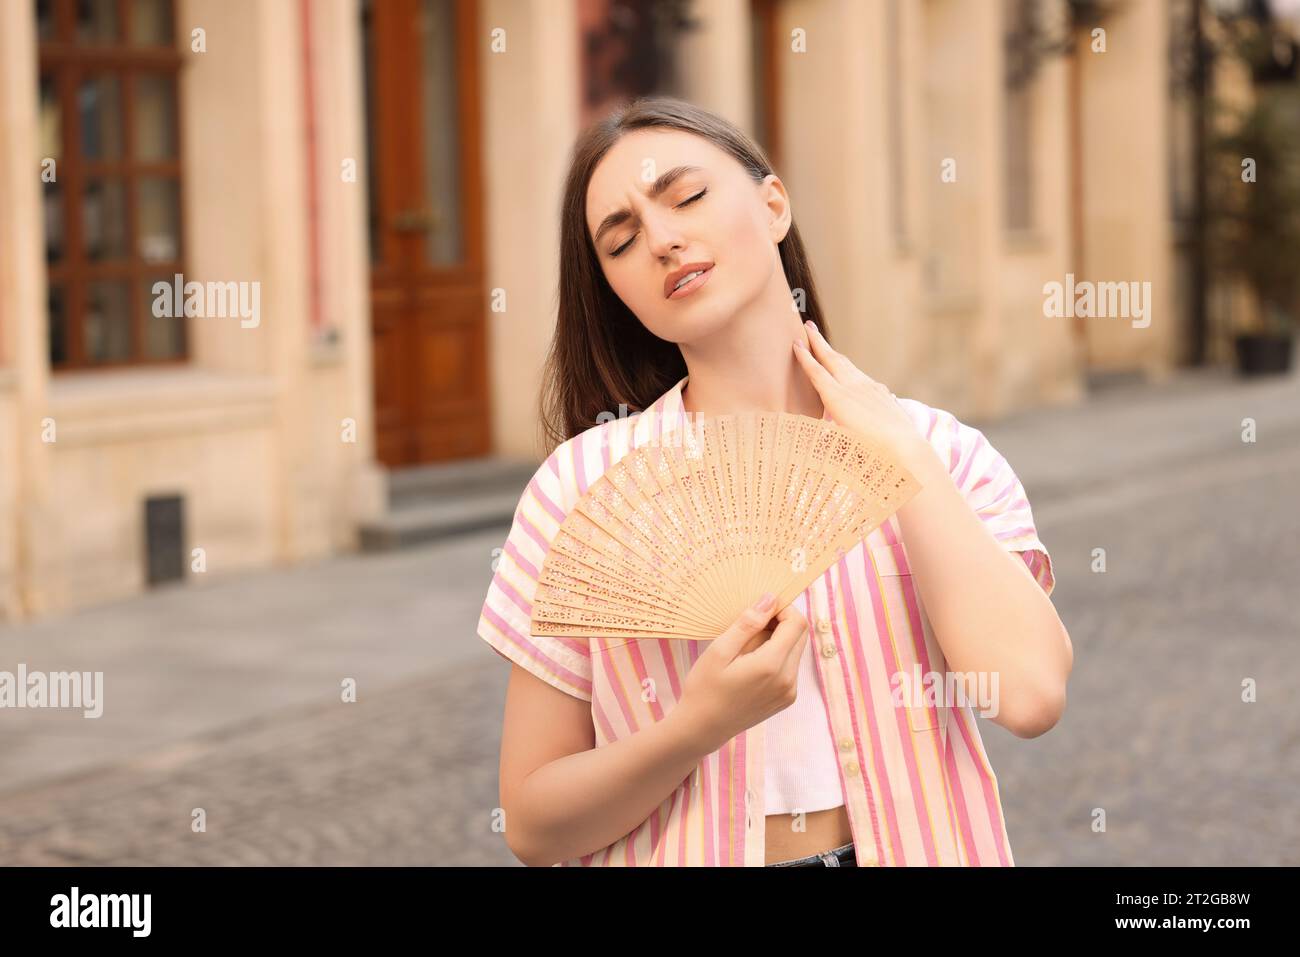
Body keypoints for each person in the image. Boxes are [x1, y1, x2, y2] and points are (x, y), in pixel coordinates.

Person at [476, 95, 1072, 867]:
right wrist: (696, 727)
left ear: (774, 204)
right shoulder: (583, 487)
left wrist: (905, 459)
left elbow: (1027, 696)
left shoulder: (938, 450)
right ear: (614, 288)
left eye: (686, 197)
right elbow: (532, 822)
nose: (661, 239)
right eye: (620, 241)